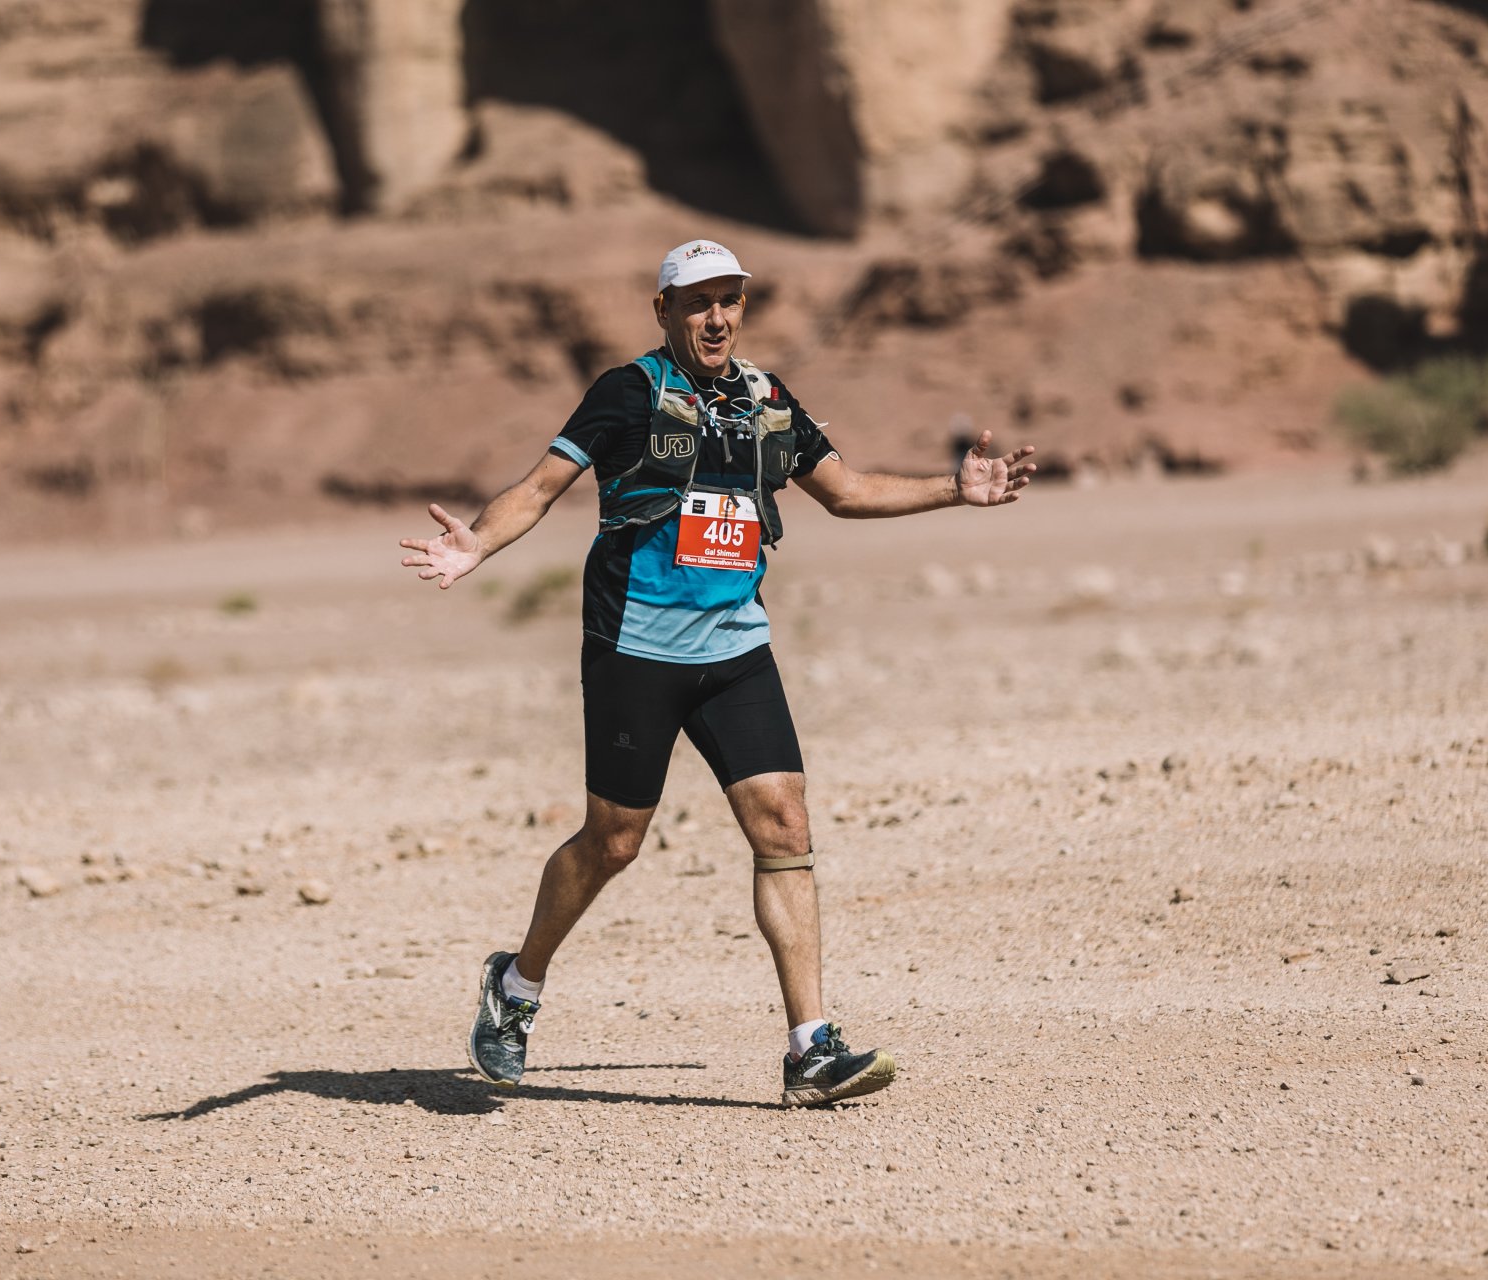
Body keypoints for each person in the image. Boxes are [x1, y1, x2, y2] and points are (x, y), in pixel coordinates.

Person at [399, 239, 1037, 1107]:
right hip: (635, 650)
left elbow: (845, 492)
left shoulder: (767, 400)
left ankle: (811, 1048)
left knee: (783, 824)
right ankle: (515, 985)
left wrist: (954, 491)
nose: (717, 317)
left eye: (730, 299)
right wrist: (478, 539)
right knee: (613, 842)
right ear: (662, 311)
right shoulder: (626, 393)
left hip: (735, 649)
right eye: (698, 301)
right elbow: (542, 487)